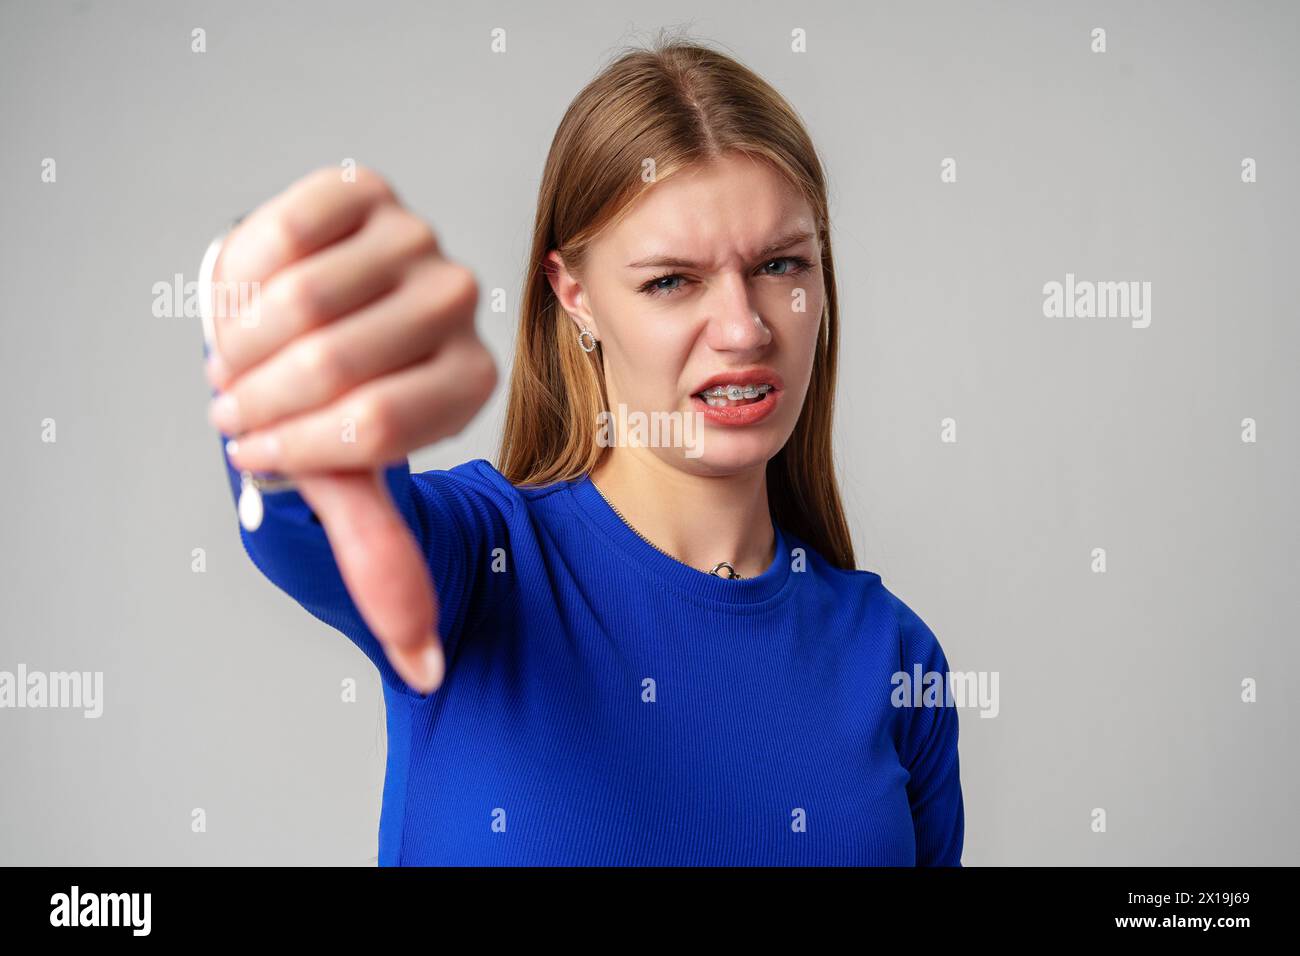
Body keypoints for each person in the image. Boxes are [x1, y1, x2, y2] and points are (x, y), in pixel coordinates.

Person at [200, 37, 964, 866]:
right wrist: (276, 319)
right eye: (671, 280)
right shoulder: (480, 568)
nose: (745, 328)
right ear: (575, 298)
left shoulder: (892, 656)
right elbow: (312, 519)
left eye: (781, 264)